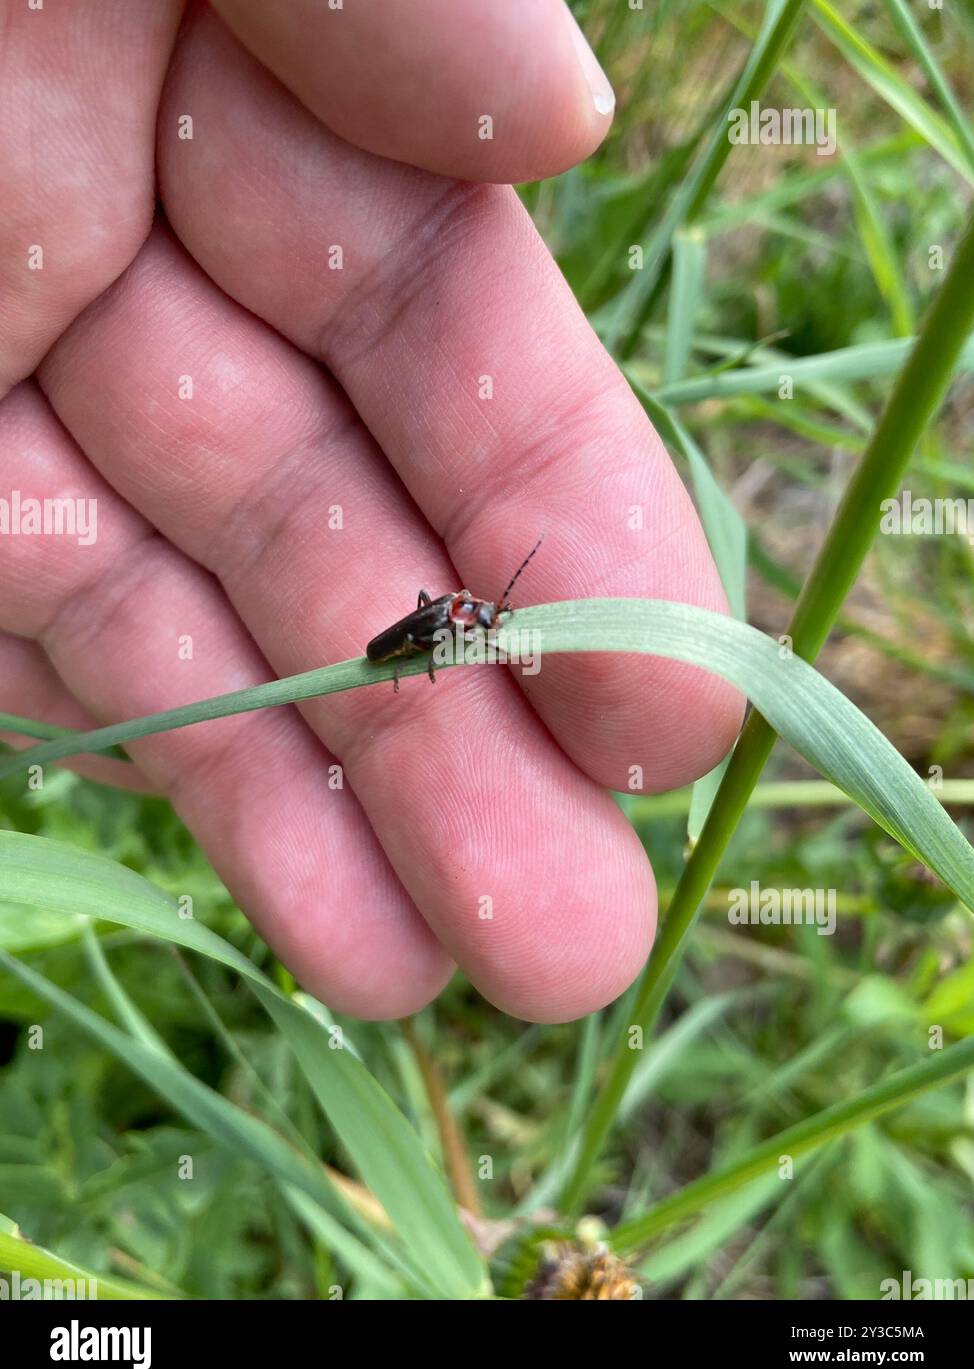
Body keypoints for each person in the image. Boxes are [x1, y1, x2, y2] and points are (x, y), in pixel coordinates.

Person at [0, 0, 742, 1023]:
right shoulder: (443, 623)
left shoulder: (445, 624)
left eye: (480, 618)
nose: (479, 620)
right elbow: (431, 629)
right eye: (481, 616)